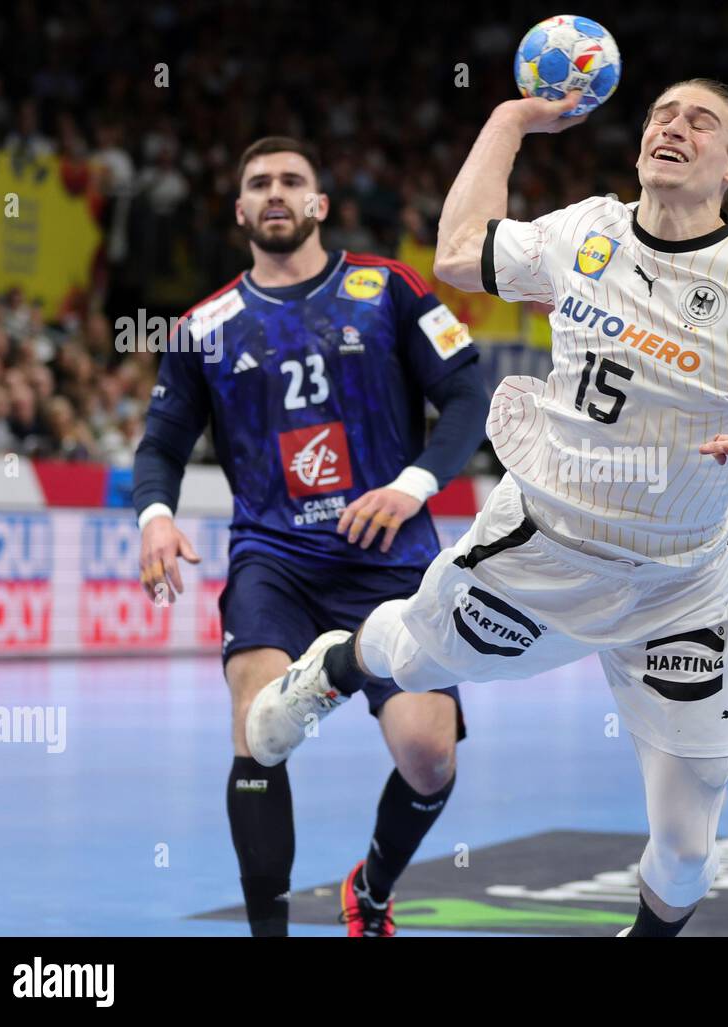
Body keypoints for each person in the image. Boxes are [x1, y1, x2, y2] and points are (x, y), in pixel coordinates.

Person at [246, 79, 728, 938]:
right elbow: (459, 252)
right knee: (412, 655)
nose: (674, 126)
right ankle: (328, 672)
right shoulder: (585, 228)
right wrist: (510, 119)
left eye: (700, 121)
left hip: (680, 586)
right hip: (541, 550)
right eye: (661, 115)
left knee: (686, 849)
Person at [133, 136, 489, 937]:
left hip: (391, 558)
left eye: (293, 180)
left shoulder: (388, 288)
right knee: (257, 726)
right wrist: (155, 514)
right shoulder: (204, 326)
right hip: (275, 559)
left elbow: (467, 393)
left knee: (429, 756)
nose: (276, 192)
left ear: (320, 204)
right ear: (240, 211)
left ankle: (370, 887)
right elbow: (159, 446)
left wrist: (413, 483)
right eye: (258, 182)